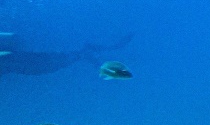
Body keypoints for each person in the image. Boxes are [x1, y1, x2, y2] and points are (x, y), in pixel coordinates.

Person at [0, 33, 132, 79]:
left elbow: (7, 56)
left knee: (49, 64)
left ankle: (87, 52)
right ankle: (87, 52)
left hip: (24, 61)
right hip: (24, 62)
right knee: (49, 64)